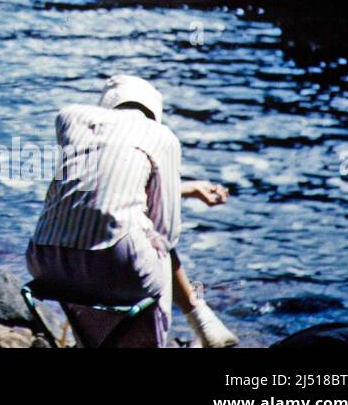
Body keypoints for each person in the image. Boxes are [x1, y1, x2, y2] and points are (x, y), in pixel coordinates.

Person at [26, 73, 239, 348]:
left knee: (114, 224)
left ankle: (90, 340)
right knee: (156, 241)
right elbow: (167, 231)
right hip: (114, 265)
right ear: (154, 112)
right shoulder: (163, 137)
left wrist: (186, 188)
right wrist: (173, 190)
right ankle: (200, 321)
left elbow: (100, 180)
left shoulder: (69, 117)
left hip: (44, 262)